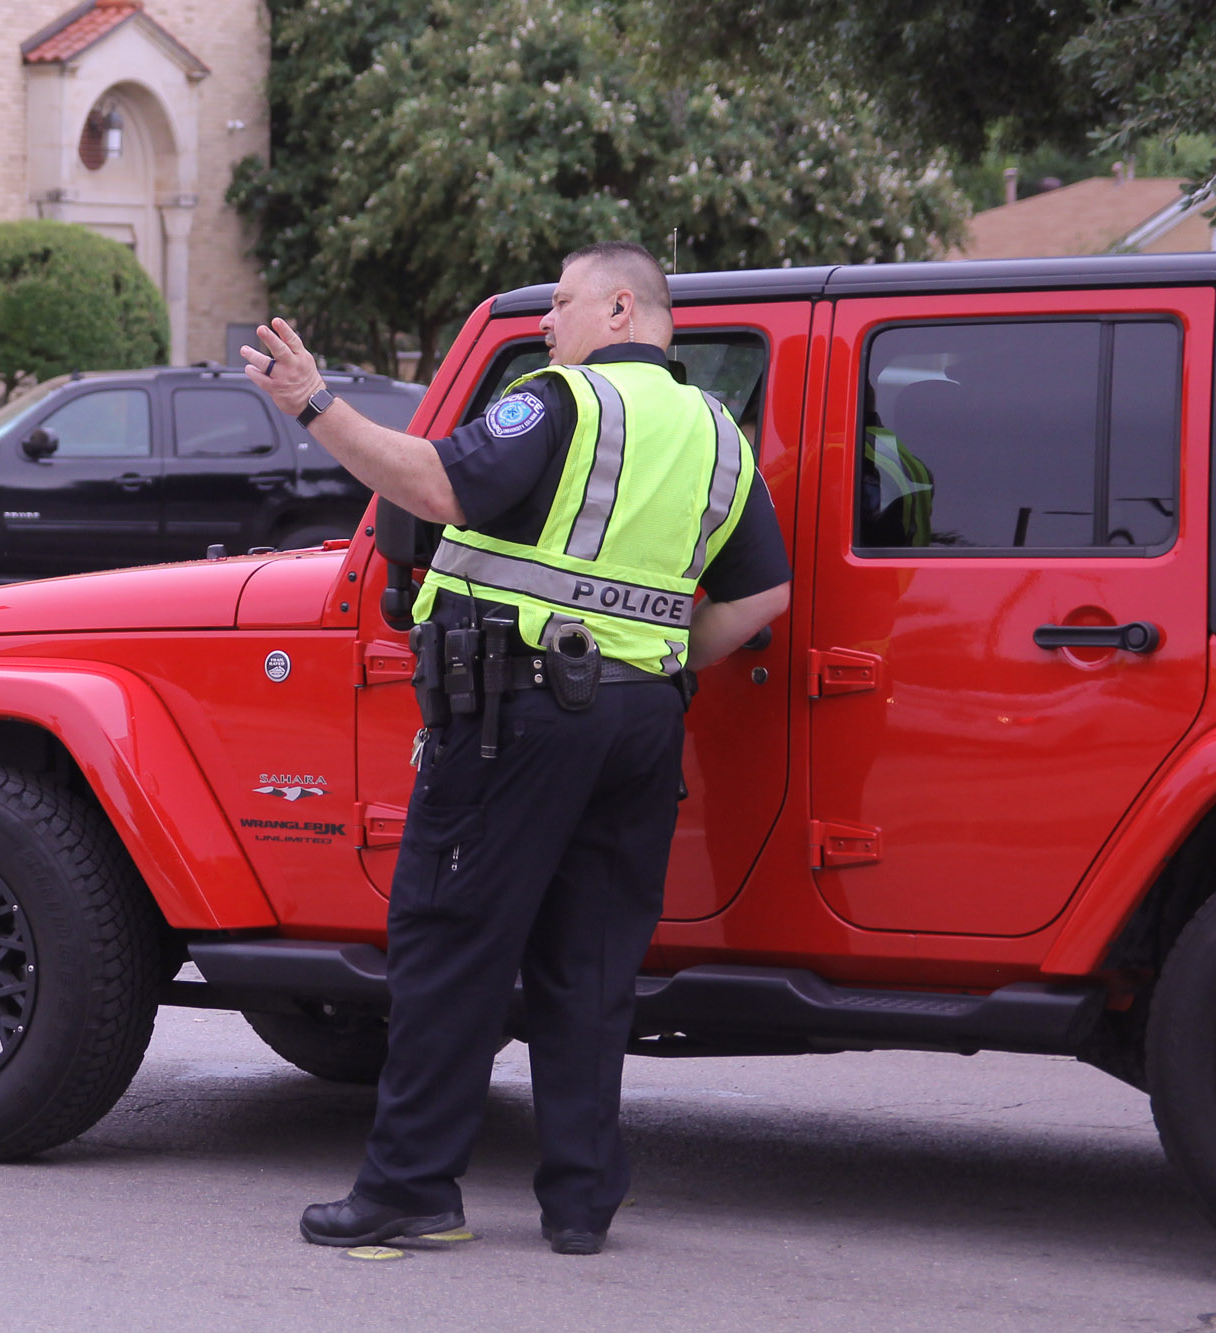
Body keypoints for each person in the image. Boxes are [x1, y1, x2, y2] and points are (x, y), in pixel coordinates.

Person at [241, 241, 792, 1256]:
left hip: (520, 713)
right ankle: (580, 1202)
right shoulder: (718, 432)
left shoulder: (563, 402)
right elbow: (762, 595)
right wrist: (662, 660)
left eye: (564, 302)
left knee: (449, 943)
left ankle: (410, 1186)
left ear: (620, 307)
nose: (546, 323)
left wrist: (314, 403)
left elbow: (434, 485)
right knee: (588, 961)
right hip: (639, 721)